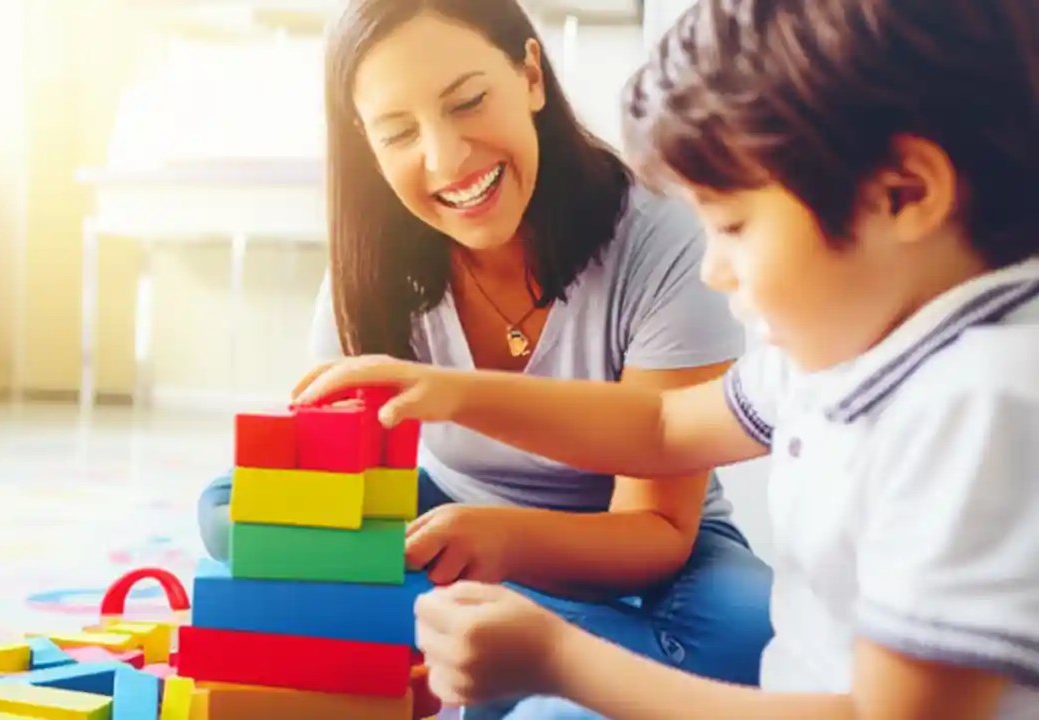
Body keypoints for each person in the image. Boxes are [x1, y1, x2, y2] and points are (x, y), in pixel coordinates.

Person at [293, 0, 1039, 717]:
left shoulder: (977, 405)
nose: (713, 268)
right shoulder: (850, 350)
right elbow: (659, 425)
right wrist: (449, 393)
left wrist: (560, 659)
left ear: (904, 193)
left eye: (736, 225)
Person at [196, 0, 773, 714]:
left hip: (646, 544)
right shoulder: (373, 269)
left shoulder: (664, 240)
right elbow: (336, 489)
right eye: (398, 131)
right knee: (228, 509)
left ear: (530, 75)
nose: (446, 159)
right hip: (450, 510)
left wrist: (499, 540)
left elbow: (657, 526)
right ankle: (502, 646)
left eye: (468, 101)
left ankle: (487, 642)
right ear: (365, 142)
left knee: (748, 632)